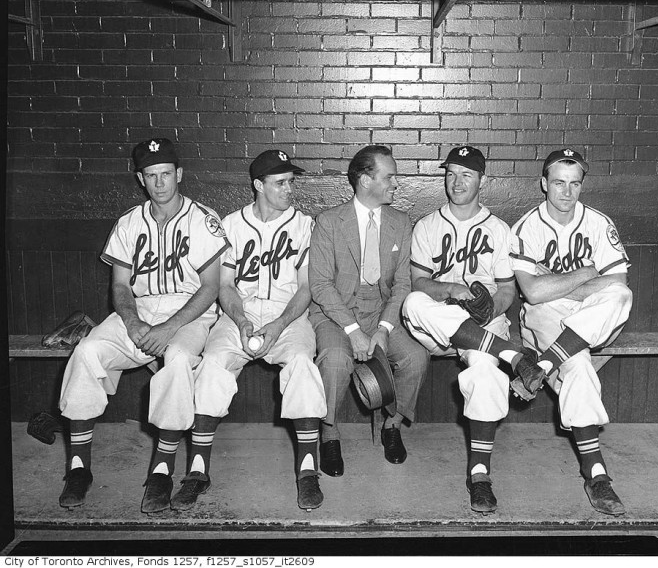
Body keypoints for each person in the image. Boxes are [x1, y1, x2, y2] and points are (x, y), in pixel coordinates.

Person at [57, 138, 229, 513]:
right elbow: (120, 286)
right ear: (141, 179)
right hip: (140, 309)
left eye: (166, 173)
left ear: (179, 174)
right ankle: (79, 468)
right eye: (151, 175)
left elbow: (211, 288)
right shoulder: (129, 222)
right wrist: (132, 321)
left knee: (178, 359)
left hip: (189, 312)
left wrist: (168, 329)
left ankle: (162, 471)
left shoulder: (203, 219)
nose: (159, 182)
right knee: (87, 351)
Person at [184, 150, 327, 512]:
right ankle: (198, 470)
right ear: (259, 186)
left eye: (291, 182)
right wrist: (241, 319)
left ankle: (307, 470)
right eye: (280, 183)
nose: (289, 189)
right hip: (239, 314)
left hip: (288, 315)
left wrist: (279, 325)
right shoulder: (231, 224)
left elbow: (306, 288)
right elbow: (225, 285)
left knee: (302, 363)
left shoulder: (304, 225)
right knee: (212, 364)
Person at [402, 146, 531, 515]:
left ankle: (480, 474)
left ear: (481, 180)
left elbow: (506, 289)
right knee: (413, 303)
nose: (456, 182)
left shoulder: (498, 229)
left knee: (485, 370)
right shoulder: (427, 226)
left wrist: (493, 308)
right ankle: (513, 354)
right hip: (438, 320)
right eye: (451, 174)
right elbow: (419, 282)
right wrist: (449, 289)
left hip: (484, 321)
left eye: (466, 175)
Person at [509, 148, 633, 516]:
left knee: (621, 296)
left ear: (581, 186)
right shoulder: (525, 227)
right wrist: (585, 274)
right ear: (544, 183)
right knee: (578, 365)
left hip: (589, 315)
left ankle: (545, 364)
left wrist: (558, 284)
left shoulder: (598, 222)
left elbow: (618, 281)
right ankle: (596, 474)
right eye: (559, 183)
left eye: (574, 184)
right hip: (545, 315)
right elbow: (533, 293)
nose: (566, 192)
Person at [308, 145, 429, 477]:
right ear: (364, 180)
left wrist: (384, 329)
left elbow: (402, 284)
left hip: (382, 311)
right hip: (337, 313)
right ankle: (329, 432)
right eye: (389, 177)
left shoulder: (400, 222)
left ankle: (393, 425)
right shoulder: (329, 222)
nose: (396, 183)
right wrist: (353, 332)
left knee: (416, 358)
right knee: (335, 361)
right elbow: (320, 285)